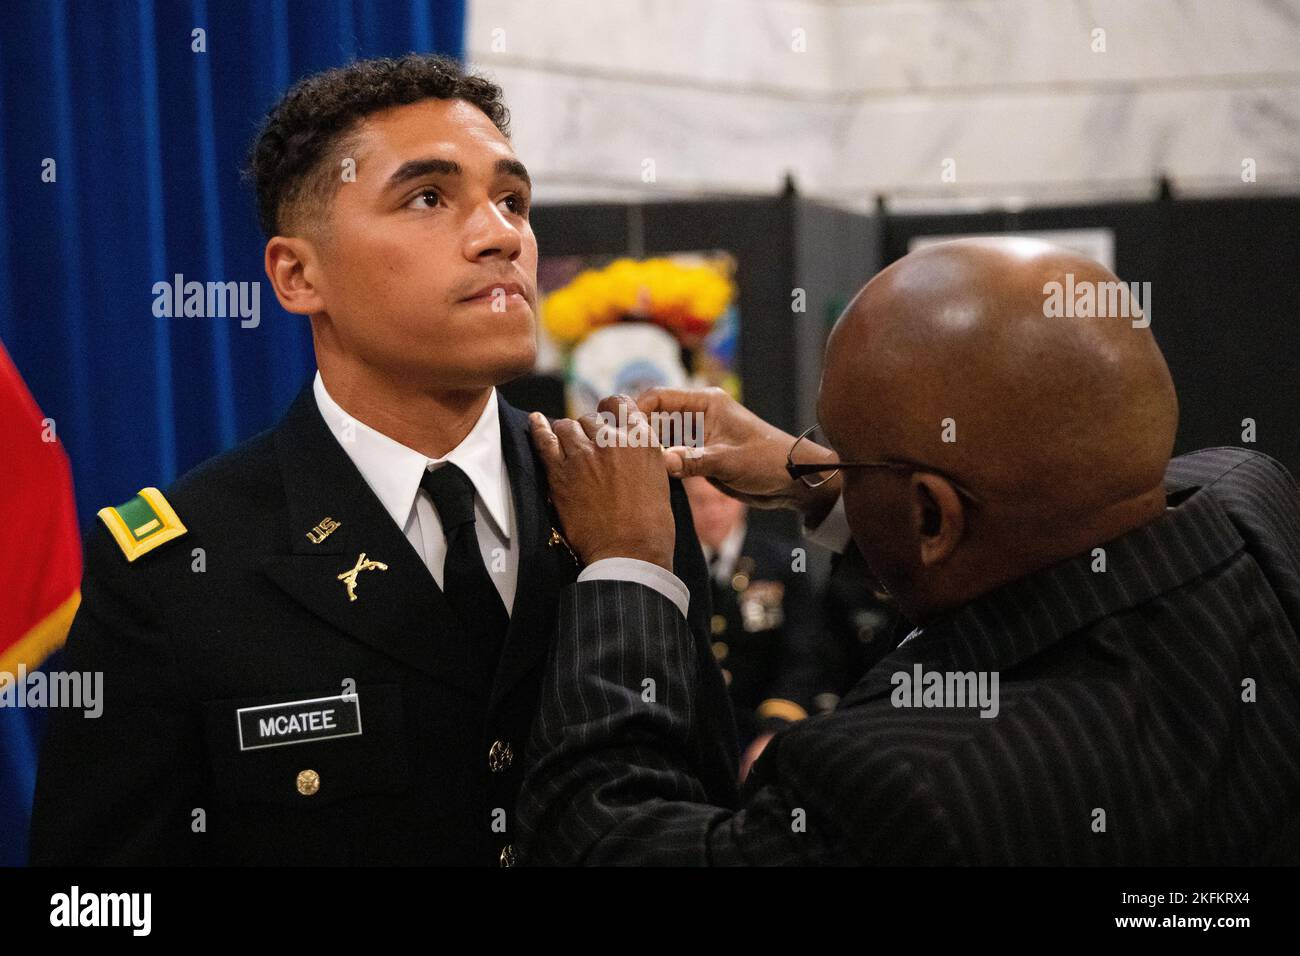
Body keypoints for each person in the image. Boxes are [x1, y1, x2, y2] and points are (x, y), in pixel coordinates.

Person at [29, 54, 734, 866]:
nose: (501, 236)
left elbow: (706, 820)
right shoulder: (178, 568)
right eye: (429, 197)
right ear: (298, 274)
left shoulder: (629, 505)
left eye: (513, 201)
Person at [518, 237, 1300, 864]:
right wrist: (819, 479)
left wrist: (630, 563)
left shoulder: (914, 787)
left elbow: (602, 836)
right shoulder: (1252, 506)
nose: (821, 458)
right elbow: (1034, 515)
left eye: (844, 452)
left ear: (933, 517)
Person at [683, 476, 836, 778]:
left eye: (722, 500)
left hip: (759, 724)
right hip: (692, 732)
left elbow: (802, 656)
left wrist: (775, 729)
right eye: (699, 501)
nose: (712, 512)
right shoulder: (675, 564)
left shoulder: (782, 562)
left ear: (741, 500)